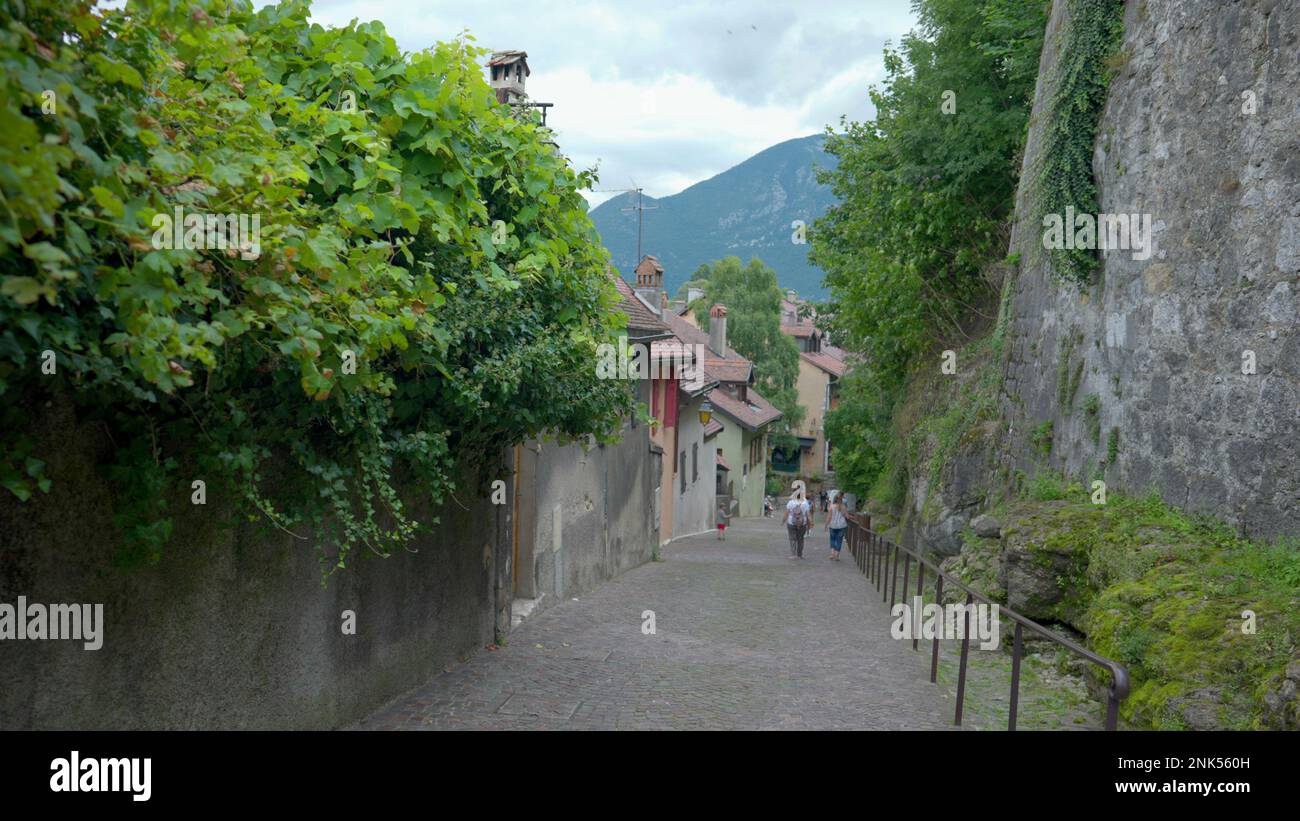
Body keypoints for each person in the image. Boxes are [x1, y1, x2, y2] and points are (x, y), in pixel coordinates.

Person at [783, 488, 812, 559]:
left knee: (792, 538)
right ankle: (800, 554)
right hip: (802, 523)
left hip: (791, 523)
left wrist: (783, 521)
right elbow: (808, 514)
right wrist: (810, 523)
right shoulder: (805, 503)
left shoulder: (791, 502)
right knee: (800, 539)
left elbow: (786, 513)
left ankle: (793, 554)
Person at [825, 491, 848, 561]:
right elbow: (846, 516)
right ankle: (837, 556)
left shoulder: (831, 506)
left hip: (833, 525)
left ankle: (832, 554)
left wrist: (826, 525)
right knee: (839, 540)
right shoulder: (843, 506)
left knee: (832, 539)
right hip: (841, 525)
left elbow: (829, 517)